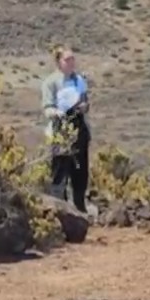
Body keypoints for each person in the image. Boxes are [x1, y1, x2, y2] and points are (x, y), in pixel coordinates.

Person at [41, 46, 91, 213]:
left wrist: (83, 106)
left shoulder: (79, 80)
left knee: (80, 171)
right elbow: (47, 108)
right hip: (60, 129)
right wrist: (57, 112)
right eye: (67, 59)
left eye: (72, 59)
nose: (71, 63)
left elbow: (85, 102)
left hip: (79, 128)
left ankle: (80, 206)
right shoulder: (51, 82)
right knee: (60, 170)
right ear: (59, 62)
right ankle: (60, 209)